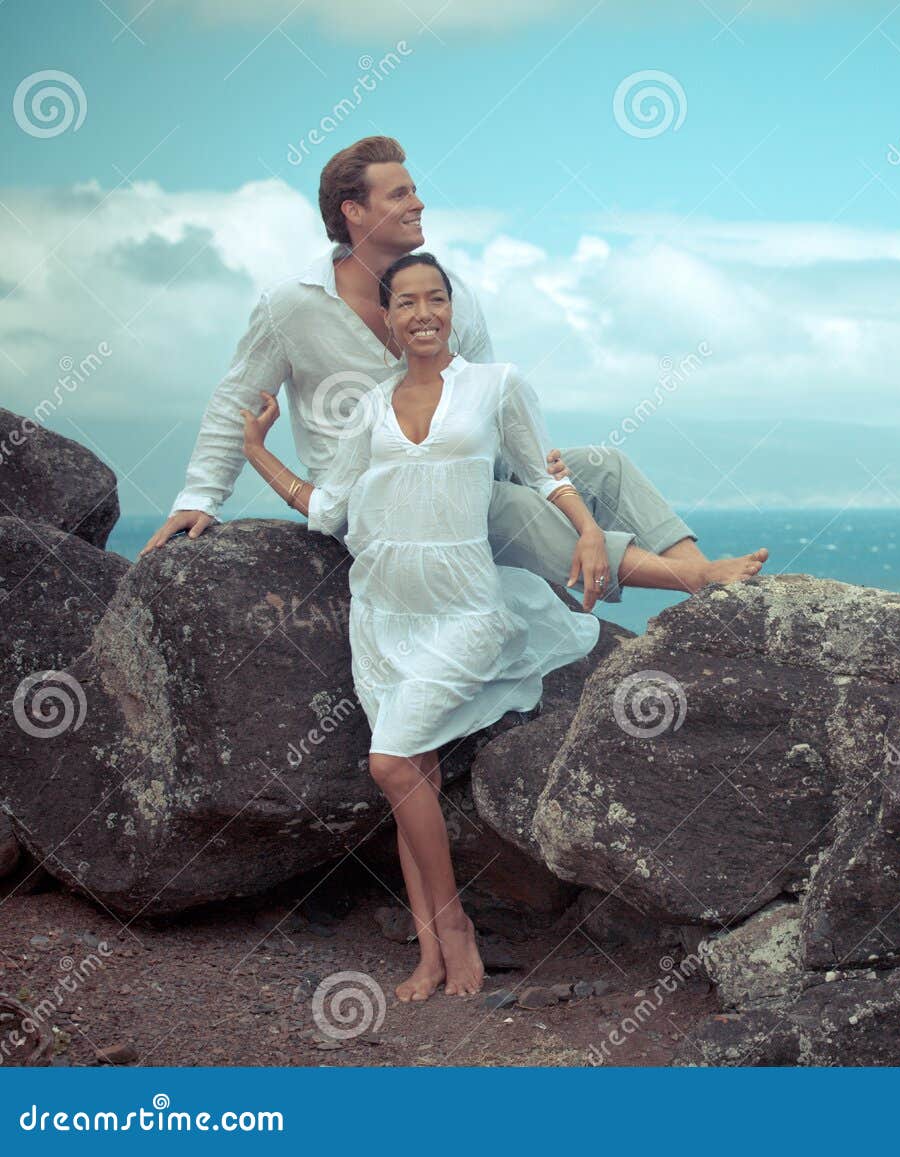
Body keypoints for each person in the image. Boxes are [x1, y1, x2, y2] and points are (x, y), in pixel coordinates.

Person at [143, 134, 768, 606]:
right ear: (353, 211)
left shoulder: (451, 292)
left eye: (414, 190)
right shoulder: (291, 306)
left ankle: (708, 594)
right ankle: (696, 579)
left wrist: (542, 468)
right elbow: (237, 403)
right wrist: (199, 497)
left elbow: (493, 398)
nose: (419, 203)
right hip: (377, 500)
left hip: (465, 459)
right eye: (401, 194)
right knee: (493, 504)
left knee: (602, 466)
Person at [239, 253, 607, 1000]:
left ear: (450, 307)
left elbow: (544, 474)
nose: (423, 314)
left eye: (435, 299)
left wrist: (590, 534)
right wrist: (256, 452)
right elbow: (328, 506)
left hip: (463, 604)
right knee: (416, 774)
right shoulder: (369, 406)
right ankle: (431, 954)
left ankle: (458, 931)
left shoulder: (495, 386)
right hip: (383, 612)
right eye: (405, 303)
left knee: (390, 763)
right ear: (387, 317)